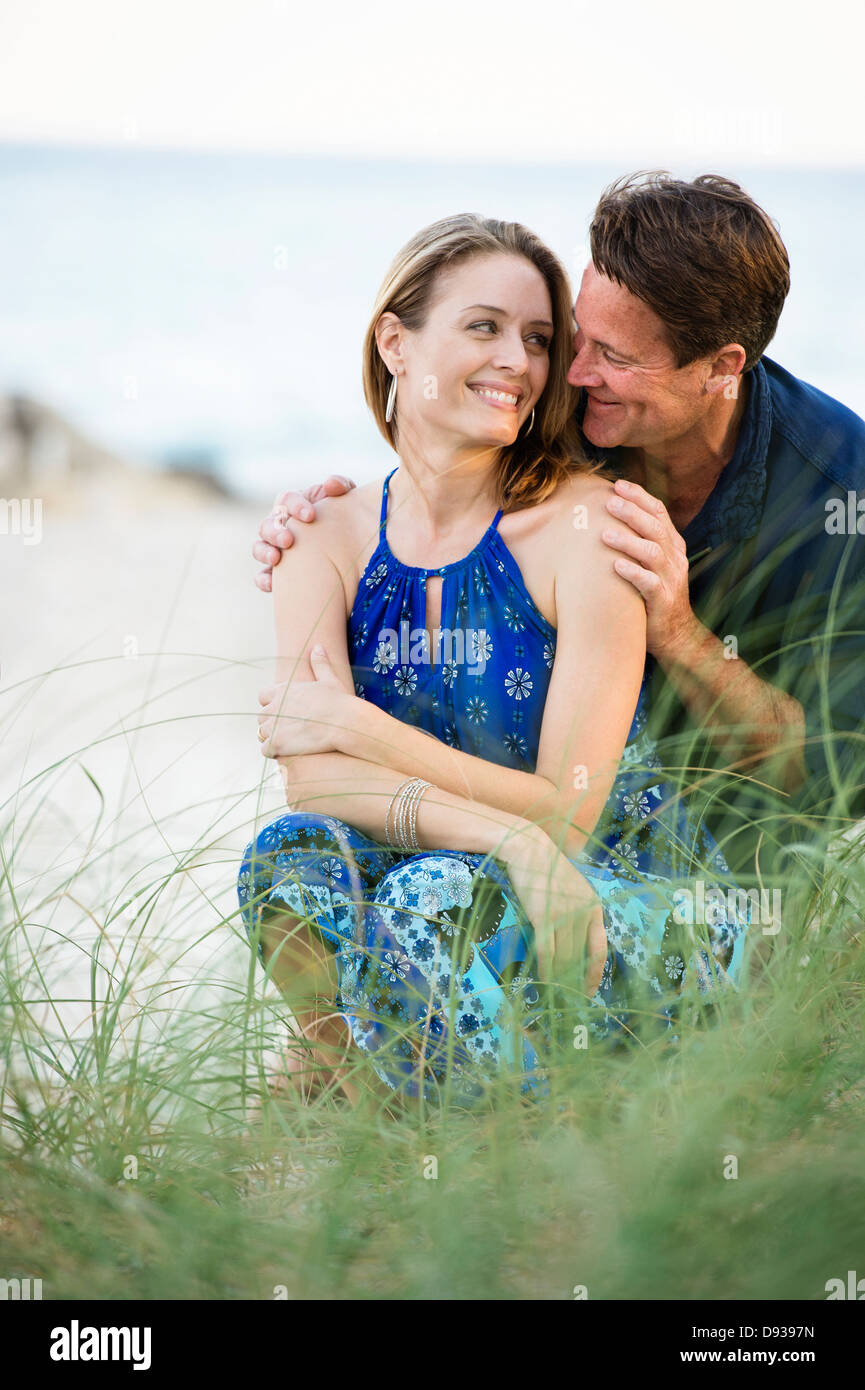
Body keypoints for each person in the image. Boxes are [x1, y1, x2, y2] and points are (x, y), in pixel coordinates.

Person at [237, 213, 750, 1110]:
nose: (519, 360)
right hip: (485, 861)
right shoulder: (324, 534)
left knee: (432, 895)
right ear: (395, 342)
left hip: (612, 888)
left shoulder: (588, 528)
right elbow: (312, 783)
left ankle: (491, 1152)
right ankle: (362, 1090)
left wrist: (363, 730)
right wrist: (506, 834)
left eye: (539, 339)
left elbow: (571, 815)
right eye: (484, 327)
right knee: (288, 857)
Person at [254, 174, 865, 882]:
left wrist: (679, 635)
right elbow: (440, 450)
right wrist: (328, 519)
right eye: (576, 335)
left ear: (720, 368)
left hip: (728, 859)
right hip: (495, 818)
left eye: (615, 356)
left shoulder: (838, 494)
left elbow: (830, 772)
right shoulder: (556, 406)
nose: (569, 372)